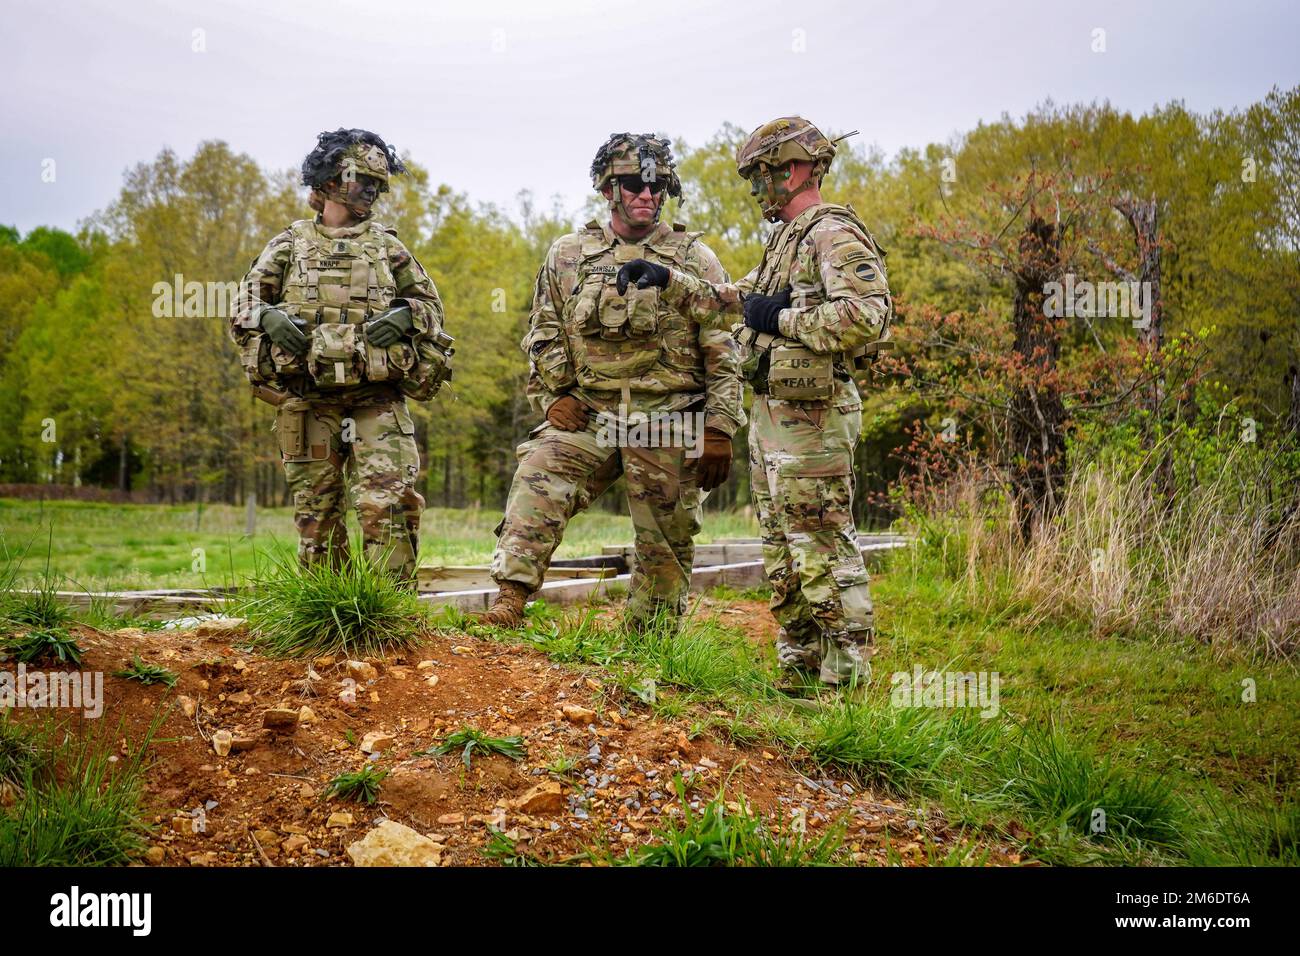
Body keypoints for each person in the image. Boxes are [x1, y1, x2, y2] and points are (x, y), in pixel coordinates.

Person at [618, 116, 892, 691]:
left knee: (820, 544)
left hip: (815, 420)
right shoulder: (786, 241)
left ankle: (847, 682)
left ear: (790, 171)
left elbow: (869, 316)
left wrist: (782, 317)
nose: (754, 190)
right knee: (783, 551)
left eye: (758, 177)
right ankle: (801, 671)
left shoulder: (831, 232)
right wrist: (666, 277)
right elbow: (734, 302)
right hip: (775, 416)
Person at [477, 133, 744, 630]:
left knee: (665, 539)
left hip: (668, 417)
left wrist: (720, 427)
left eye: (657, 185)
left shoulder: (693, 259)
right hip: (591, 413)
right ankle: (508, 602)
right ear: (607, 190)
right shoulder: (568, 254)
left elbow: (724, 347)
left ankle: (651, 642)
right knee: (537, 479)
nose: (647, 195)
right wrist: (553, 396)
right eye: (633, 185)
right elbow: (543, 331)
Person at [230, 128, 452, 585]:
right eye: (360, 178)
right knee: (317, 511)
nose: (370, 189)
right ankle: (326, 616)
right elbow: (241, 307)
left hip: (377, 398)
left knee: (388, 504)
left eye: (377, 182)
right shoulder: (289, 244)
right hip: (308, 400)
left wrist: (406, 316)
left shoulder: (389, 248)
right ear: (329, 180)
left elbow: (433, 309)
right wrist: (267, 317)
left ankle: (390, 617)